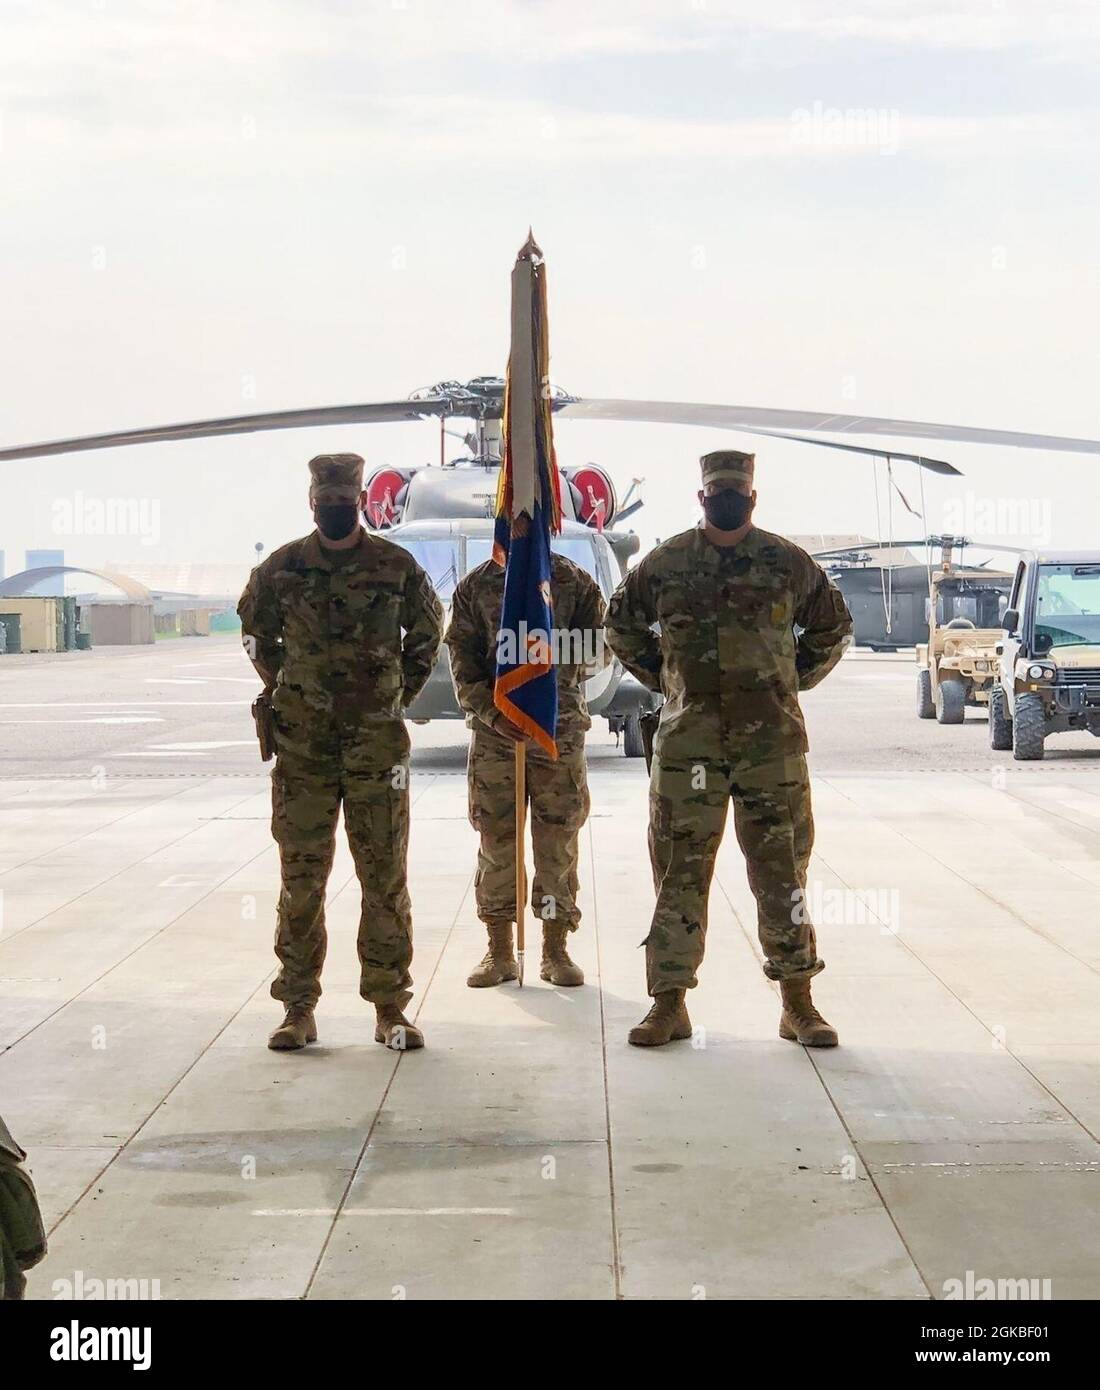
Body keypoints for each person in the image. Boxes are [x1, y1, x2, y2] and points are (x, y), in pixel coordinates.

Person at [604, 449, 853, 1048]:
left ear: (752, 498)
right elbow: (620, 624)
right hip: (690, 747)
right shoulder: (667, 563)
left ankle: (798, 1003)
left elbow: (832, 625)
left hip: (771, 748)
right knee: (678, 876)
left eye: (736, 491)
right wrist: (667, 680)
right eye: (717, 491)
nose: (726, 499)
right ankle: (668, 1004)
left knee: (781, 876)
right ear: (701, 498)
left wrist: (791, 680)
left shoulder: (786, 562)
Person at [238, 453, 443, 1051]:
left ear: (358, 503)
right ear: (312, 503)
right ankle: (297, 1006)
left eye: (344, 502)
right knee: (301, 879)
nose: (334, 509)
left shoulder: (394, 566)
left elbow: (429, 632)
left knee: (384, 876)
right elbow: (253, 629)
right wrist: (285, 682)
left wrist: (393, 691)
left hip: (377, 749)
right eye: (326, 502)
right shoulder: (281, 569)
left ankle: (389, 1006)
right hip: (303, 750)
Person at [446, 548, 606, 987]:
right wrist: (496, 710)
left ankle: (555, 949)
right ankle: (499, 950)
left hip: (558, 730)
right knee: (497, 840)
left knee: (558, 839)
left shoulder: (574, 582)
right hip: (496, 733)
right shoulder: (475, 587)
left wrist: (543, 672)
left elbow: (599, 649)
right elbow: (461, 659)